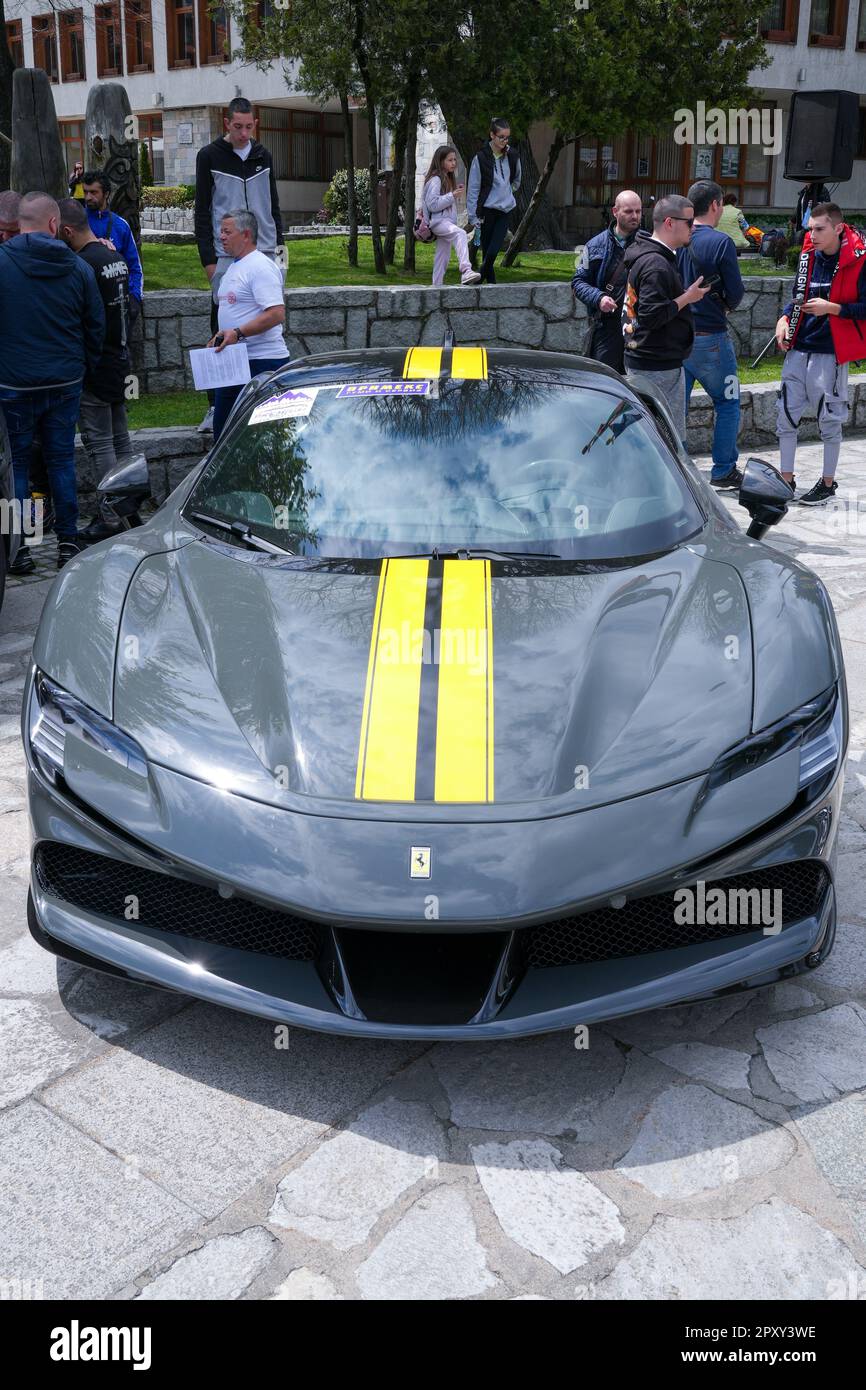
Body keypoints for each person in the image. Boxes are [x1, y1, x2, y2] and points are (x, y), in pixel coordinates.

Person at [0, 191, 104, 570]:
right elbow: (96, 327)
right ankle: (68, 543)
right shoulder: (79, 269)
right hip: (64, 382)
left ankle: (21, 549)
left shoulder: (2, 263)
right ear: (53, 225)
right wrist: (82, 368)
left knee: (18, 468)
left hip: (13, 385)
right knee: (61, 461)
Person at [195, 96, 285, 433]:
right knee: (221, 318)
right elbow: (202, 210)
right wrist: (208, 258)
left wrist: (281, 247)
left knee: (267, 311)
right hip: (225, 251)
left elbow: (273, 204)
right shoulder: (209, 157)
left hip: (265, 247)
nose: (244, 133)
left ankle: (262, 395)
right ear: (226, 124)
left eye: (249, 127)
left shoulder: (263, 155)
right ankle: (215, 403)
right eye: (238, 127)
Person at [774, 202, 866, 505]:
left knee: (830, 420)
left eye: (819, 228)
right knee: (785, 416)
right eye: (809, 228)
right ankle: (786, 479)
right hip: (798, 349)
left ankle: (828, 483)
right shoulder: (807, 257)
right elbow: (796, 299)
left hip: (831, 352)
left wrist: (833, 309)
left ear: (838, 228)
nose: (811, 234)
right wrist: (783, 320)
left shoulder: (859, 260)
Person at [58, 199, 132, 536]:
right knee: (121, 440)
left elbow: (82, 320)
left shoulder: (81, 266)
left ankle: (111, 517)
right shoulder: (113, 256)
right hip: (119, 357)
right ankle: (130, 509)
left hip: (97, 363)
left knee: (101, 444)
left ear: (68, 231)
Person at [621, 194, 710, 442]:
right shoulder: (656, 264)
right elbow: (651, 315)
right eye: (690, 222)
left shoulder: (648, 255)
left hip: (645, 358)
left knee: (649, 436)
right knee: (667, 441)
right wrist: (687, 298)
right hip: (656, 363)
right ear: (670, 222)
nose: (694, 227)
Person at [678, 180, 745, 490]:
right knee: (728, 402)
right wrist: (727, 305)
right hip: (712, 338)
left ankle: (675, 471)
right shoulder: (721, 242)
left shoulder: (675, 238)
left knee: (675, 409)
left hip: (676, 337)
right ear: (716, 205)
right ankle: (723, 470)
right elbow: (736, 292)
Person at [208, 209, 290, 442]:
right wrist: (222, 335)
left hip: (261, 362)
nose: (221, 236)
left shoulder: (260, 267)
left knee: (262, 438)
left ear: (245, 235)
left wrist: (238, 333)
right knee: (224, 438)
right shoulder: (234, 267)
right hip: (233, 363)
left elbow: (276, 313)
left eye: (227, 232)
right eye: (220, 231)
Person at [571, 189, 642, 371]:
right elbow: (578, 282)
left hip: (640, 329)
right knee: (605, 381)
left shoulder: (648, 244)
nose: (634, 216)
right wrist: (599, 298)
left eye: (638, 211)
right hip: (607, 327)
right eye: (628, 211)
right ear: (615, 212)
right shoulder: (593, 245)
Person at [82, 171, 143, 325]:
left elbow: (135, 267)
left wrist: (135, 298)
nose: (88, 197)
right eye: (85, 192)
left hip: (118, 307)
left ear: (106, 193)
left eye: (94, 192)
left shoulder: (121, 225)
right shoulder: (77, 223)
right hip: (87, 306)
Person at [466, 117, 521, 284]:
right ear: (492, 135)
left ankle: (477, 278)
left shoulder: (512, 155)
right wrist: (473, 216)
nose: (505, 141)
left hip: (504, 210)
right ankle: (490, 287)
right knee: (486, 252)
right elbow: (473, 189)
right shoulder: (480, 158)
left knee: (492, 251)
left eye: (507, 137)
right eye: (501, 137)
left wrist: (506, 191)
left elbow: (517, 180)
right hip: (486, 211)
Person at [422, 147, 481, 287]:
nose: (454, 163)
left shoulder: (446, 178)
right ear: (440, 161)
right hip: (438, 222)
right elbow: (433, 205)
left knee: (442, 257)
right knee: (460, 234)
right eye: (450, 160)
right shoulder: (436, 180)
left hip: (443, 222)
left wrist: (452, 194)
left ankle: (436, 286)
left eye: (455, 159)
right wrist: (452, 195)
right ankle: (466, 270)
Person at [793, 180, 831, 245]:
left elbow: (826, 207)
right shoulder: (804, 191)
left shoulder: (821, 190)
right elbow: (800, 207)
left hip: (813, 226)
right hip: (803, 226)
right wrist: (793, 219)